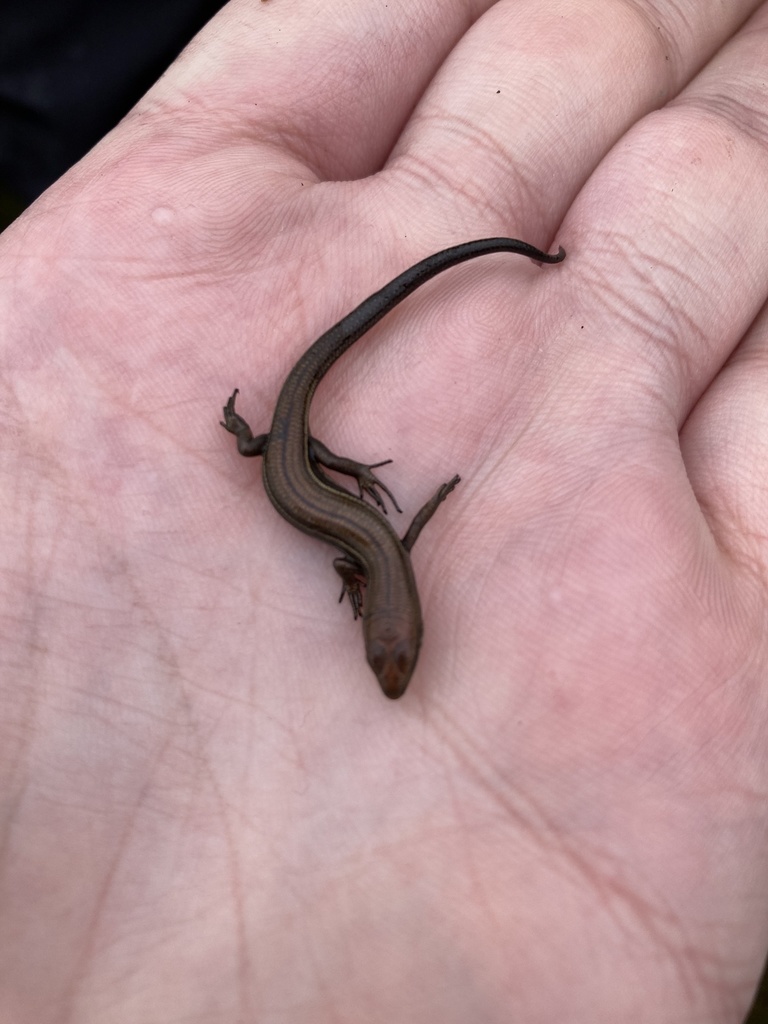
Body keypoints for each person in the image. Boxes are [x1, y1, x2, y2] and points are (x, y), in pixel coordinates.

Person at [1, 2, 767, 1021]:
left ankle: (325, 408)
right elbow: (383, 539)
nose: (391, 662)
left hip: (295, 459)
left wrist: (334, 477)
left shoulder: (380, 568)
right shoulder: (380, 564)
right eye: (391, 656)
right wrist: (355, 489)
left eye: (386, 658)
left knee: (333, 469)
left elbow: (382, 543)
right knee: (335, 482)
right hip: (296, 462)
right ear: (397, 622)